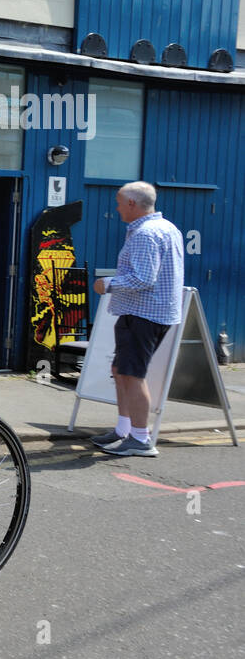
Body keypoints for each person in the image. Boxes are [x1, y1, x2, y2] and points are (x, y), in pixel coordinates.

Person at [90, 182, 184, 457]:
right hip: (147, 313)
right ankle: (123, 430)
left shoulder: (146, 234)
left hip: (143, 314)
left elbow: (142, 279)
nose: (117, 208)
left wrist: (105, 284)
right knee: (121, 371)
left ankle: (141, 439)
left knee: (132, 374)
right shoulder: (166, 228)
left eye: (119, 202)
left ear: (132, 203)